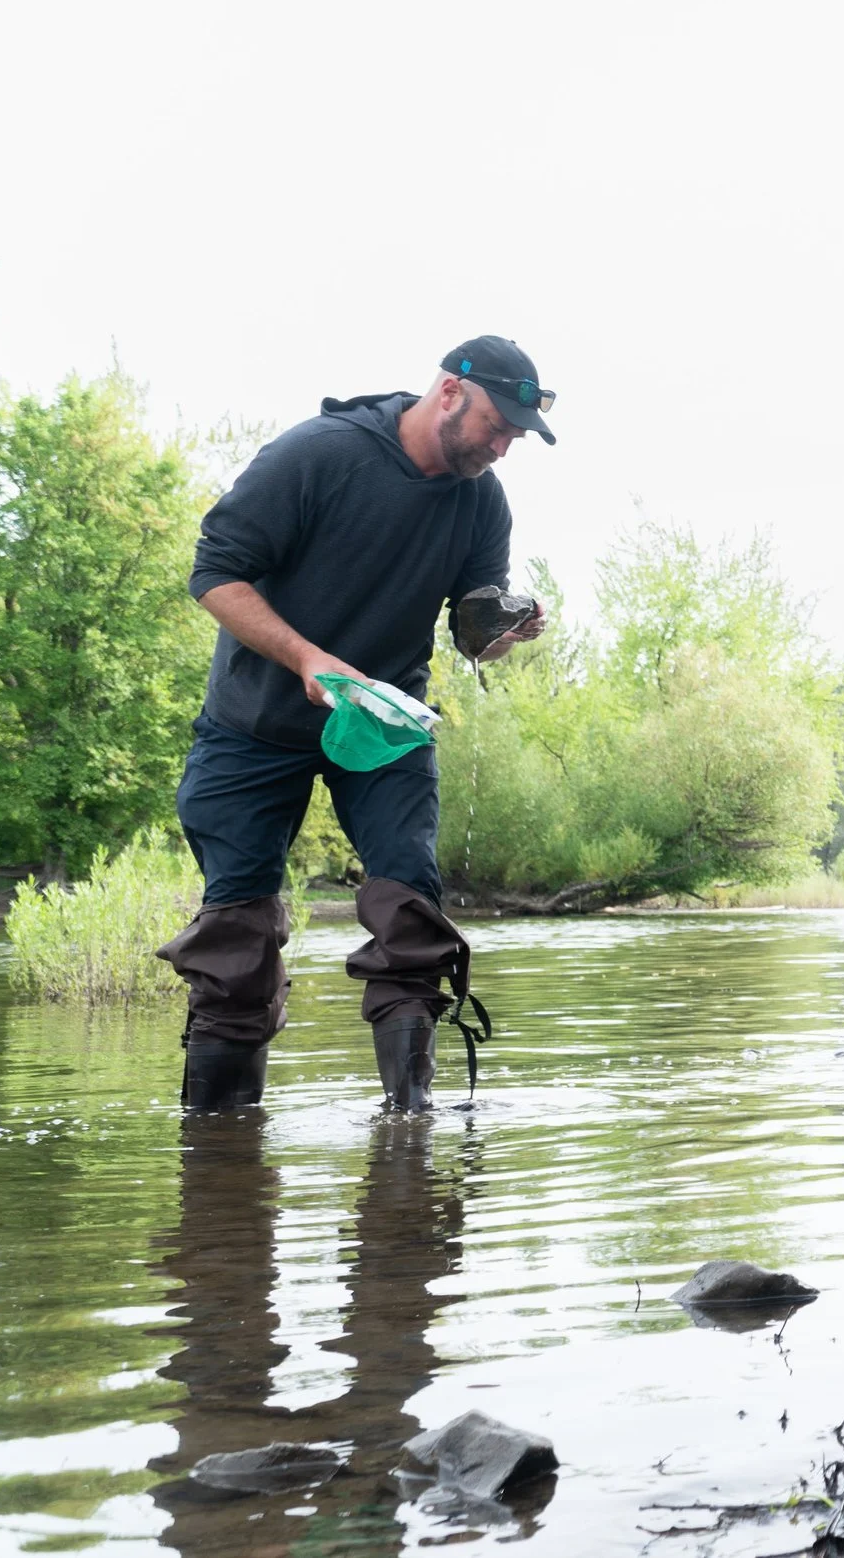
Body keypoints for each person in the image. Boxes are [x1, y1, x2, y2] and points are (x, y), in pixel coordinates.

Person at [155, 338, 552, 1114]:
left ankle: (411, 1129)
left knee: (411, 904)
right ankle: (218, 1140)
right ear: (448, 392)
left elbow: (472, 630)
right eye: (496, 426)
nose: (502, 447)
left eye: (515, 437)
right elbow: (214, 574)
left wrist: (501, 633)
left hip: (383, 724)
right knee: (234, 930)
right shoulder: (318, 456)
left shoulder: (482, 502)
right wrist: (308, 659)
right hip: (254, 723)